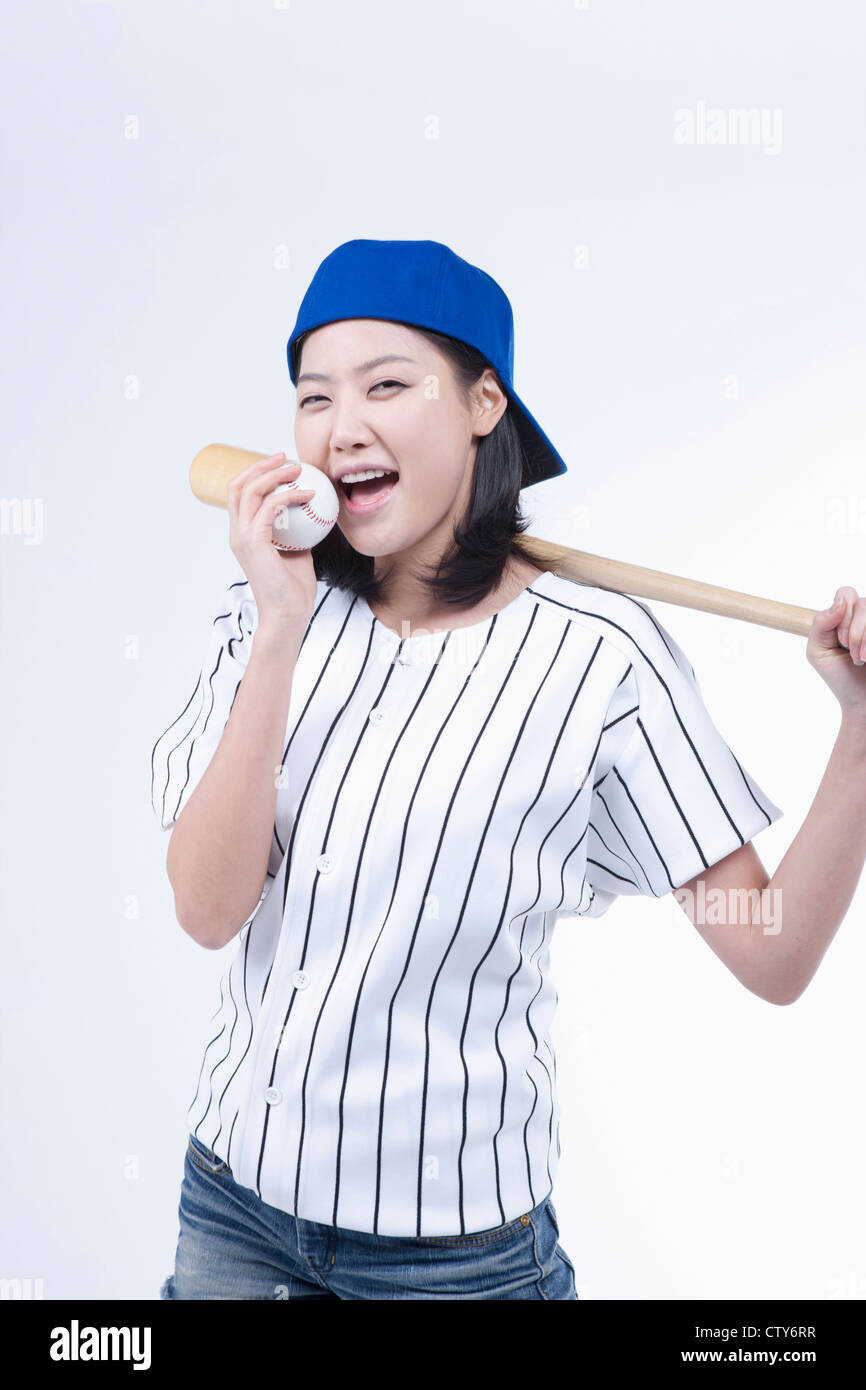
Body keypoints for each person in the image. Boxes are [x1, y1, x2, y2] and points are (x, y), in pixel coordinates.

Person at [150, 239, 866, 1300]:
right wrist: (277, 626)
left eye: (387, 384)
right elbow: (209, 910)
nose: (341, 425)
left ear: (485, 401)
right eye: (312, 397)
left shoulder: (599, 658)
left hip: (457, 1262)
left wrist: (858, 724)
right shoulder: (267, 612)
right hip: (233, 1212)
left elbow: (771, 956)